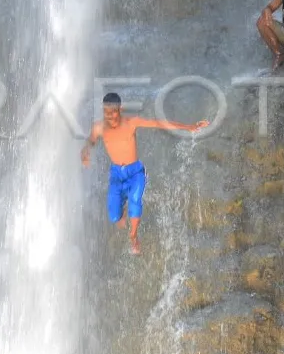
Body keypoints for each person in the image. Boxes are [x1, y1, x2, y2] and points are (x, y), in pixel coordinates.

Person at [81, 93, 209, 255]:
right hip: (116, 174)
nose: (110, 116)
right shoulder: (99, 127)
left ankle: (134, 236)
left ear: (120, 109)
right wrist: (85, 150)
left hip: (135, 172)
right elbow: (91, 140)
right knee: (115, 218)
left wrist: (188, 127)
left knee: (135, 200)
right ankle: (123, 207)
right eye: (106, 112)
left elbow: (159, 124)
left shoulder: (131, 123)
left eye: (113, 112)